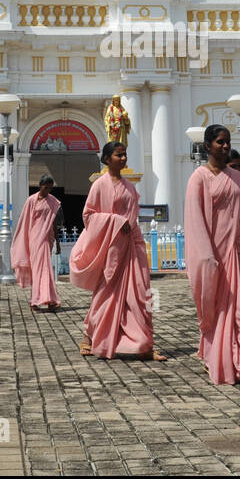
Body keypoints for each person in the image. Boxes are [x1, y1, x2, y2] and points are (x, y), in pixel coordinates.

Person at [184, 124, 240, 385]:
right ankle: (214, 356)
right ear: (207, 145)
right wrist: (206, 256)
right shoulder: (199, 177)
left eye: (227, 141)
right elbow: (195, 219)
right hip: (211, 253)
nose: (224, 146)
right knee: (216, 307)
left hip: (236, 250)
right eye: (219, 142)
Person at [69, 142, 165, 361]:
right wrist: (115, 221)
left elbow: (133, 219)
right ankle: (89, 335)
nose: (123, 159)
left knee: (141, 293)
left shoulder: (130, 187)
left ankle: (144, 342)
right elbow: (88, 216)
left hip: (132, 246)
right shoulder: (99, 185)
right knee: (106, 293)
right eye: (118, 155)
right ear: (106, 159)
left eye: (125, 155)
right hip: (111, 248)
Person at [12, 175, 62, 311]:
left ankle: (47, 299)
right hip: (34, 237)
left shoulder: (52, 201)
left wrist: (58, 242)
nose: (48, 191)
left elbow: (54, 223)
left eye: (50, 188)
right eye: (46, 188)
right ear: (40, 186)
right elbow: (25, 221)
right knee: (38, 269)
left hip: (47, 237)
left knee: (45, 267)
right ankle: (38, 300)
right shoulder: (31, 201)